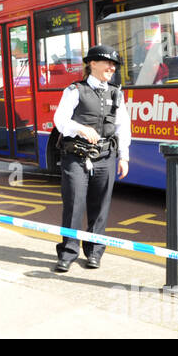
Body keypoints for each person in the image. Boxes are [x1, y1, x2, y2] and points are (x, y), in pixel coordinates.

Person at [51, 45, 130, 272]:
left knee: (100, 207)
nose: (111, 68)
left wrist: (124, 156)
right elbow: (61, 120)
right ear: (92, 64)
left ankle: (94, 252)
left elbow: (123, 127)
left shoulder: (116, 92)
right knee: (74, 204)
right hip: (76, 156)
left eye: (114, 65)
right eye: (107, 63)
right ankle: (68, 253)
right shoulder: (75, 89)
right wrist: (81, 128)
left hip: (106, 156)